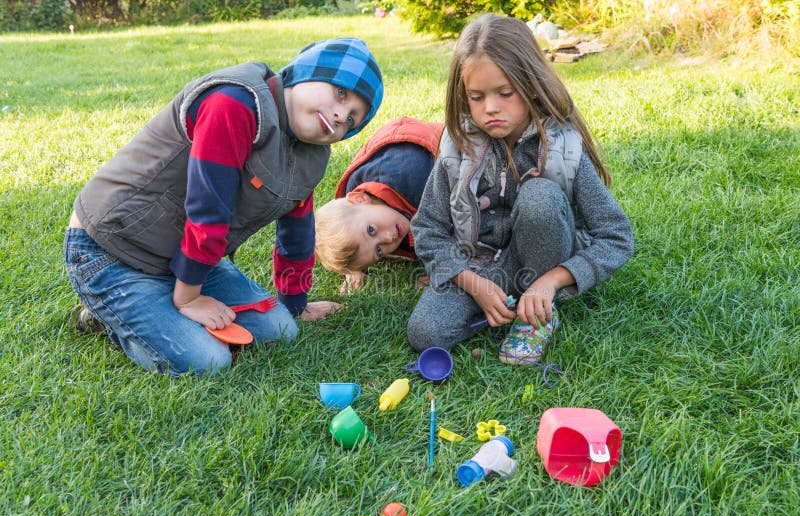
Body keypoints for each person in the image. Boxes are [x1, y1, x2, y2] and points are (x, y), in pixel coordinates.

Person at [64, 38, 383, 375]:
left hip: (178, 257)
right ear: (303, 73)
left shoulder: (312, 154)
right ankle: (110, 313)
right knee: (207, 361)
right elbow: (208, 211)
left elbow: (297, 230)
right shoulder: (235, 103)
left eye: (352, 119)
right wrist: (189, 298)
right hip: (112, 249)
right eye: (340, 93)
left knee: (281, 330)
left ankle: (162, 303)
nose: (340, 115)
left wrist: (295, 304)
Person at [407, 14, 633, 364]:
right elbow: (427, 227)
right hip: (480, 265)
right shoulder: (457, 146)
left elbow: (616, 236)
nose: (490, 108)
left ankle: (538, 310)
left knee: (539, 198)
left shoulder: (564, 147)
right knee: (425, 333)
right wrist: (473, 285)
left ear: (530, 84)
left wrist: (551, 282)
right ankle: (508, 306)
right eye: (476, 97)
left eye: (505, 93)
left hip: (544, 262)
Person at [314, 117, 443, 292]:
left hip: (439, 149)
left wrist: (443, 268)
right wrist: (355, 268)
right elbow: (355, 240)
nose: (388, 239)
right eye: (379, 251)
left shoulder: (417, 179)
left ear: (360, 199)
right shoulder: (358, 210)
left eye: (372, 230)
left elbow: (458, 218)